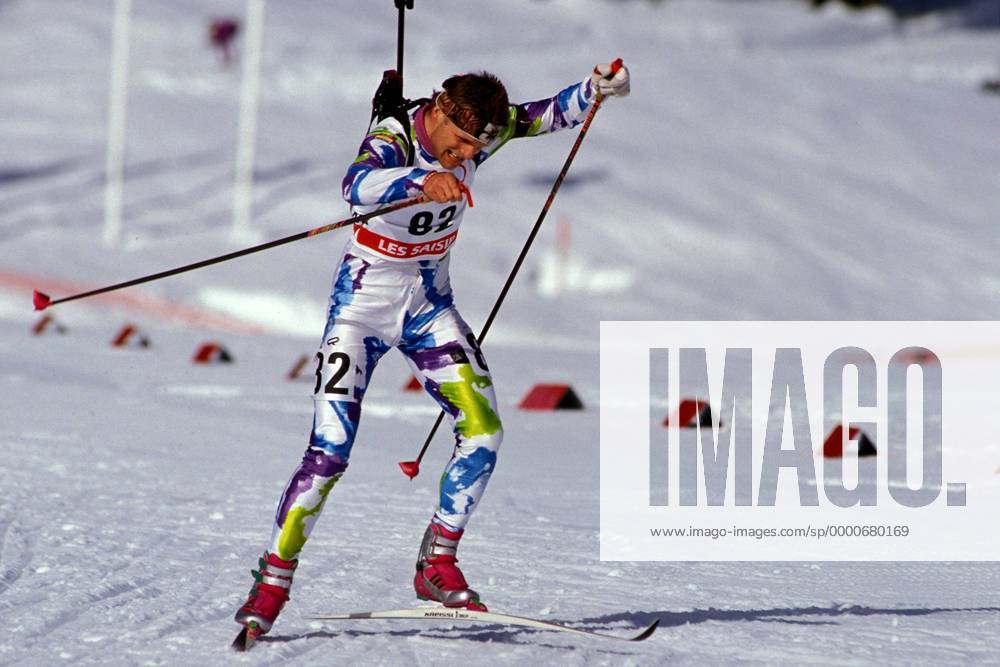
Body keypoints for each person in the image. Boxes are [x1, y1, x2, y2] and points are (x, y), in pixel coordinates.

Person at [235, 60, 630, 636]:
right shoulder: (395, 133)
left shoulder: (479, 137)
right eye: (460, 142)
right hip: (361, 313)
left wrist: (596, 90)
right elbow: (356, 183)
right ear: (441, 110)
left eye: (478, 146)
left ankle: (436, 560)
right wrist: (420, 181)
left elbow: (543, 116)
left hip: (428, 310)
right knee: (330, 455)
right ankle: (272, 582)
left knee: (485, 430)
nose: (466, 155)